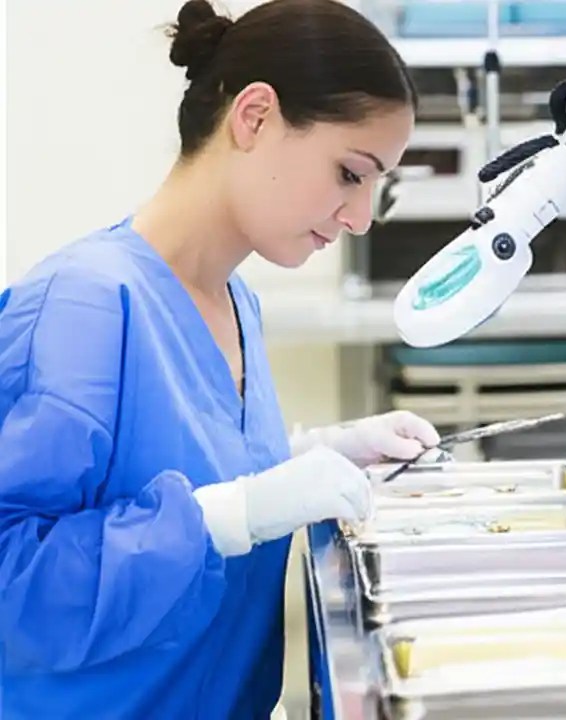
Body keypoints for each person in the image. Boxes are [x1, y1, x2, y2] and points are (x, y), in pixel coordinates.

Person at [0, 1, 436, 716]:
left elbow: (177, 463)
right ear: (255, 117)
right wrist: (231, 516)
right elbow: (12, 581)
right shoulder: (83, 305)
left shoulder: (236, 303)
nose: (360, 218)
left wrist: (320, 455)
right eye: (350, 173)